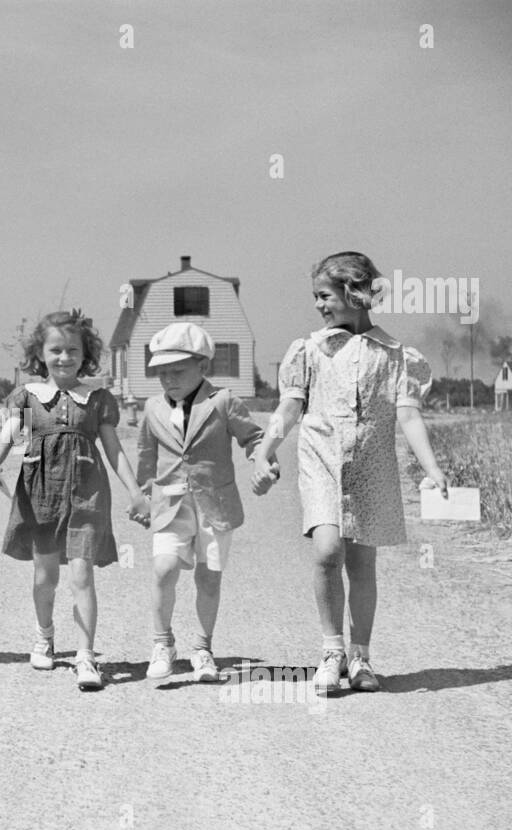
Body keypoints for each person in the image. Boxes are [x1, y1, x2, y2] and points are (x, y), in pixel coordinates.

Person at [254, 251, 450, 694]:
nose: (319, 305)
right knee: (327, 551)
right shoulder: (310, 350)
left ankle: (361, 655)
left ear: (354, 292)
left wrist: (432, 467)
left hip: (372, 464)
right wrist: (265, 449)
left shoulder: (396, 355)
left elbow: (410, 415)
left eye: (325, 296)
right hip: (321, 459)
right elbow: (289, 407)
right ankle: (331, 650)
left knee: (362, 562)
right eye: (316, 297)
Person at [0, 309, 147, 691]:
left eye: (72, 350)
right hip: (40, 496)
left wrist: (136, 492)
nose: (64, 357)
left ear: (85, 353)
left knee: (82, 575)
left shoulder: (96, 399)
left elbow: (113, 450)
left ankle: (86, 656)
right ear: (40, 353)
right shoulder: (29, 396)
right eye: (55, 350)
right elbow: (6, 437)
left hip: (86, 495)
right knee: (45, 577)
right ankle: (45, 635)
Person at [136, 322, 277, 683]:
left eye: (178, 370)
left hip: (215, 504)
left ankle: (202, 648)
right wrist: (141, 494)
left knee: (208, 578)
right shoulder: (151, 408)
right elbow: (146, 458)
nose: (168, 379)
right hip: (169, 505)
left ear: (204, 366)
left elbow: (254, 439)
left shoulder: (224, 401)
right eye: (161, 372)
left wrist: (264, 464)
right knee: (164, 568)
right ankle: (162, 644)